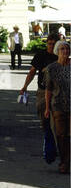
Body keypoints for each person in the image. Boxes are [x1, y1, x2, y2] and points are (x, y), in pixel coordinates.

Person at [20, 33, 60, 163]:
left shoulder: (61, 55)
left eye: (54, 44)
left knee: (57, 120)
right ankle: (49, 138)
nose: (51, 46)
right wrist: (25, 86)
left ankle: (55, 145)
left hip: (58, 92)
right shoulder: (41, 55)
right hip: (42, 91)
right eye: (50, 43)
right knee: (44, 118)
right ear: (46, 43)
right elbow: (32, 71)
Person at [43, 42, 70, 175]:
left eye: (67, 49)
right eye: (62, 49)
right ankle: (64, 162)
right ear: (57, 52)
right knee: (61, 135)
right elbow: (48, 89)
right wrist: (47, 108)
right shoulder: (51, 68)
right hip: (57, 106)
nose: (65, 51)